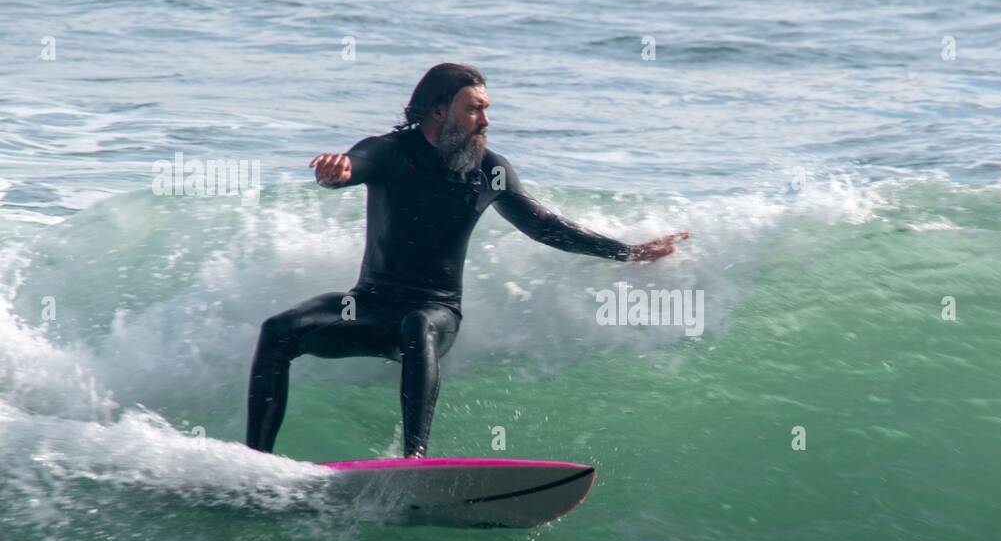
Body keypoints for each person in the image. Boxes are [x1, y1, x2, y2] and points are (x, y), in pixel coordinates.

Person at [245, 63, 688, 458]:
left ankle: (413, 460)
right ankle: (257, 462)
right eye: (474, 109)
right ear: (439, 111)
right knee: (277, 331)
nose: (486, 120)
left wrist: (627, 252)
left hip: (437, 312)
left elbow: (544, 225)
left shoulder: (488, 169)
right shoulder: (389, 151)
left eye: (486, 108)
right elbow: (353, 166)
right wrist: (335, 173)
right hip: (369, 306)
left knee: (417, 324)